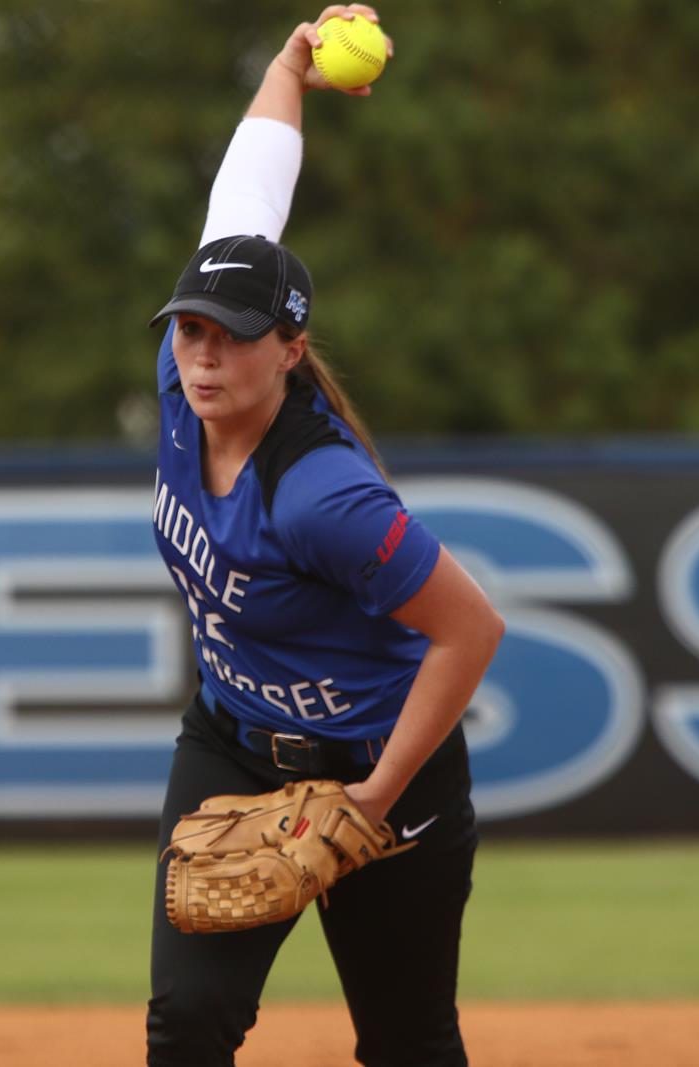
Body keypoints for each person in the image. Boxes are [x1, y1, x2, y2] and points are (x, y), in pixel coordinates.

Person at [143, 8, 505, 1065]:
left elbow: (469, 630)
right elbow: (243, 198)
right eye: (190, 329)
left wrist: (374, 797)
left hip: (380, 767)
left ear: (290, 349)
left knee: (406, 1041)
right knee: (189, 1020)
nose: (203, 355)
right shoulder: (181, 387)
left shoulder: (322, 496)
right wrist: (285, 72)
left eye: (234, 337)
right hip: (230, 741)